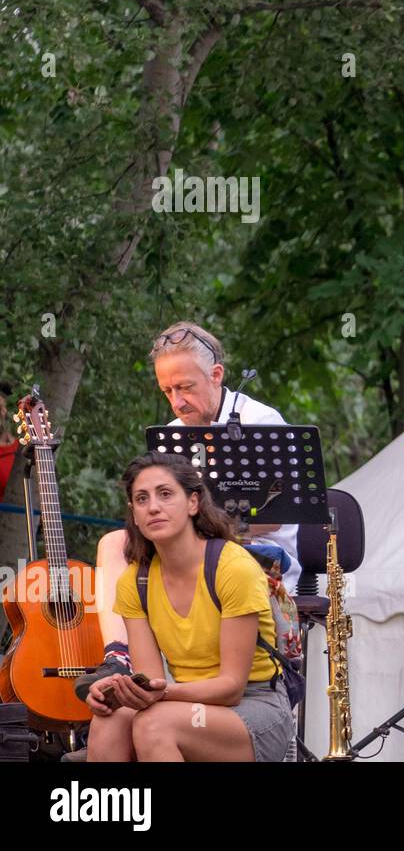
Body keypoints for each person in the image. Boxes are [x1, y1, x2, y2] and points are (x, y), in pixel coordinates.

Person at [75, 321, 300, 702]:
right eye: (167, 390)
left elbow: (274, 517)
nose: (177, 401)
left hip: (255, 559)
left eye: (185, 387)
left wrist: (194, 525)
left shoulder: (262, 422)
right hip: (188, 560)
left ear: (216, 375)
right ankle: (119, 656)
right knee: (114, 542)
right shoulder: (173, 432)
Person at [85, 453, 294, 761]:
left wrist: (162, 692)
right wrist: (121, 690)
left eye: (165, 494)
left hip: (253, 707)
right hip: (185, 703)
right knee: (110, 721)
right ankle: (112, 810)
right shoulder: (134, 582)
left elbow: (231, 688)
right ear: (134, 514)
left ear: (193, 503)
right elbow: (149, 679)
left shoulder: (233, 567)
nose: (153, 506)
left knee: (154, 725)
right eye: (141, 499)